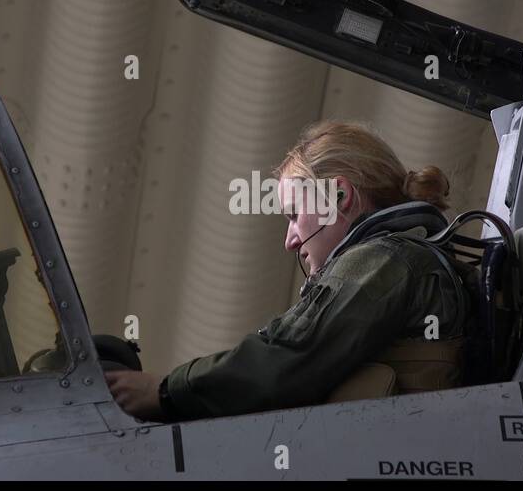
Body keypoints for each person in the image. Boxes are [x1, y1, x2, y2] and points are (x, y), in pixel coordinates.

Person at [106, 120, 474, 422]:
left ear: (340, 197)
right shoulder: (407, 258)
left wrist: (164, 391)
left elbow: (286, 359)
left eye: (294, 215)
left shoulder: (384, 261)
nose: (291, 240)